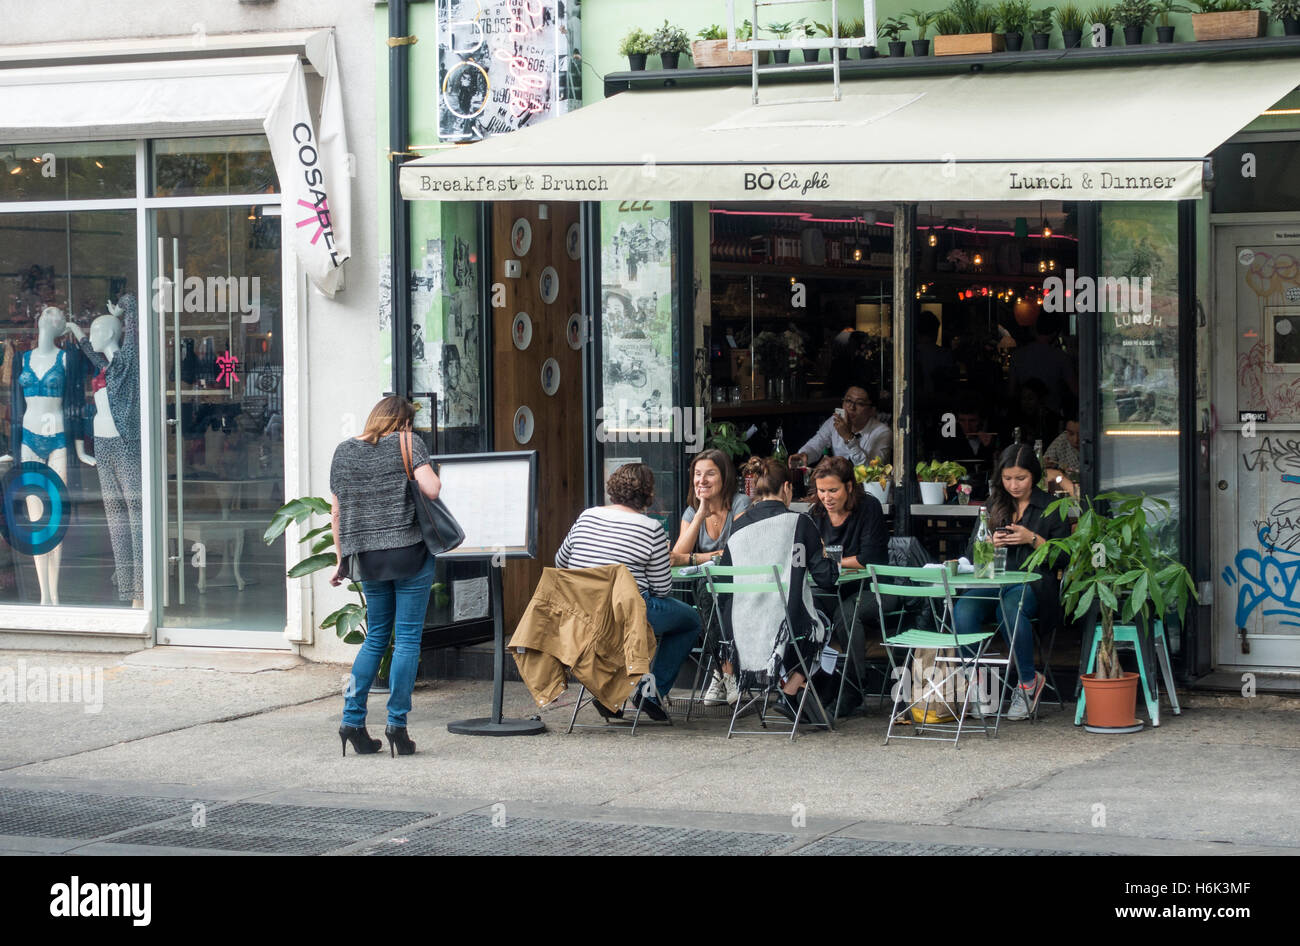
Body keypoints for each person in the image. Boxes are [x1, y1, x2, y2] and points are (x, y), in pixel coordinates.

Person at [331, 396, 442, 757]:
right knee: (407, 639)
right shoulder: (409, 443)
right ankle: (397, 726)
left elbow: (337, 511)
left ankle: (352, 721)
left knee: (376, 637)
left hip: (368, 557)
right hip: (409, 551)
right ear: (403, 423)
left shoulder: (343, 451)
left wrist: (340, 559)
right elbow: (432, 489)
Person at [556, 463, 700, 721]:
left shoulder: (587, 516)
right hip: (627, 615)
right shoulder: (650, 528)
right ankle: (650, 693)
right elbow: (662, 588)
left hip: (583, 614)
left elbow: (561, 562)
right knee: (689, 620)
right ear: (648, 493)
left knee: (625, 622)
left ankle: (608, 690)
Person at [954, 443, 1071, 721]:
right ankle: (979, 685)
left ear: (1035, 476)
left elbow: (1065, 557)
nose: (1014, 485)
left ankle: (1028, 683)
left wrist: (1032, 539)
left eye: (1021, 478)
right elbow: (970, 553)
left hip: (1035, 583)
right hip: (996, 578)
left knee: (1009, 610)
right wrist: (988, 542)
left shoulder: (1052, 507)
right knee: (963, 609)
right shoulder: (995, 503)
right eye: (1007, 479)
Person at [718, 460, 838, 723]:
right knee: (825, 624)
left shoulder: (737, 526)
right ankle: (790, 689)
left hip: (740, 628)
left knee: (799, 618)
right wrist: (828, 557)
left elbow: (723, 582)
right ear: (787, 488)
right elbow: (826, 579)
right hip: (788, 625)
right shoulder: (799, 523)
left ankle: (787, 692)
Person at [805, 456, 888, 713]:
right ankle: (809, 686)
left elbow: (868, 558)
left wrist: (830, 560)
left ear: (849, 487)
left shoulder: (869, 507)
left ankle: (853, 687)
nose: (826, 497)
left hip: (875, 589)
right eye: (821, 491)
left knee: (846, 614)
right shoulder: (815, 514)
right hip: (832, 589)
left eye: (833, 490)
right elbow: (810, 557)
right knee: (804, 610)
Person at [673, 449, 750, 706]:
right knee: (706, 590)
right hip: (710, 587)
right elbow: (677, 557)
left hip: (740, 583)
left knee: (708, 592)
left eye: (710, 474)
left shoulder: (740, 503)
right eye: (697, 474)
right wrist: (700, 514)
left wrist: (698, 557)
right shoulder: (691, 511)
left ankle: (723, 671)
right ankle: (725, 671)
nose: (701, 480)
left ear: (724, 476)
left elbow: (735, 552)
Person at [789, 385, 891, 469]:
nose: (851, 407)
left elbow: (870, 470)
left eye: (860, 403)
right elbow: (816, 444)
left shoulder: (883, 433)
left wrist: (849, 438)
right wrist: (804, 454)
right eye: (848, 401)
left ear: (872, 410)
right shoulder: (834, 422)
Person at [1043, 419, 1081, 496]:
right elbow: (1045, 462)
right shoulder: (1062, 441)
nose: (1076, 440)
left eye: (1081, 434)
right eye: (1071, 434)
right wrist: (1046, 464)